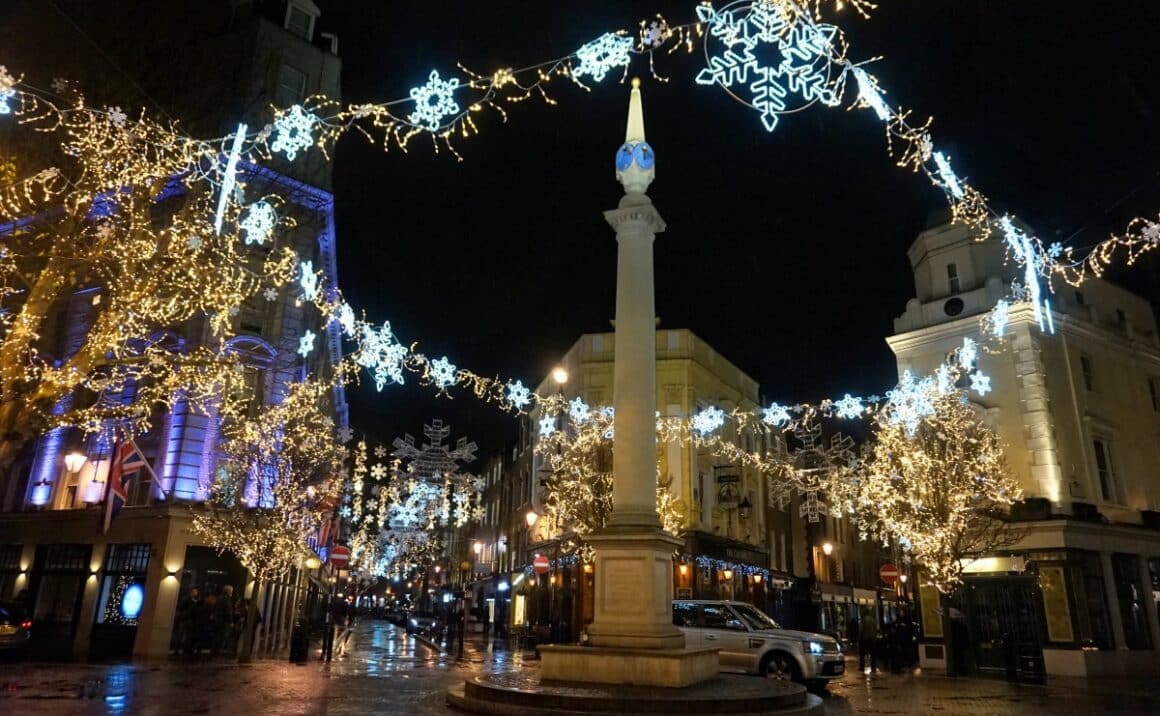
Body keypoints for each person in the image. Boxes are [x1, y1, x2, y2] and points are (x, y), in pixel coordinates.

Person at [213, 585, 236, 655]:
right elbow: (228, 610)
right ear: (228, 591)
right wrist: (231, 621)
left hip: (218, 619)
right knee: (222, 636)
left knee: (217, 636)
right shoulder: (226, 599)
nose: (232, 592)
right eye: (231, 591)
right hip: (223, 621)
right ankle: (218, 651)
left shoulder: (219, 598)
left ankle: (214, 651)